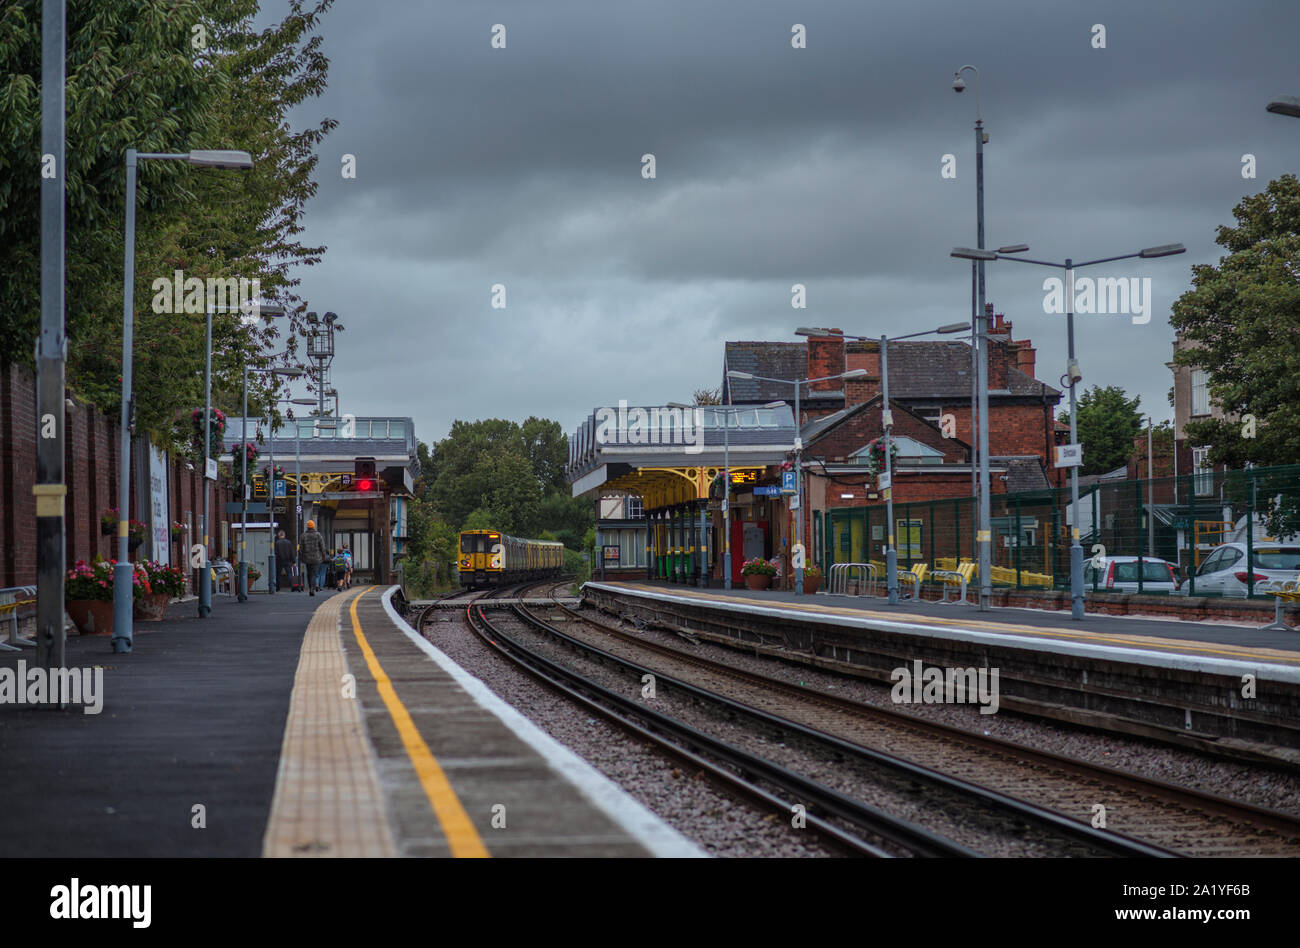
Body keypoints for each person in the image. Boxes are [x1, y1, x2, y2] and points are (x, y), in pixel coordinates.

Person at [300, 520, 328, 596]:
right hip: (316, 558)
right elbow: (322, 547)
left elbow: (301, 548)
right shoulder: (318, 535)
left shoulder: (303, 535)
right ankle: (312, 588)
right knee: (314, 574)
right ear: (313, 526)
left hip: (307, 558)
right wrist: (324, 556)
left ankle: (310, 588)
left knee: (309, 574)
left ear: (307, 526)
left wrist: (301, 557)